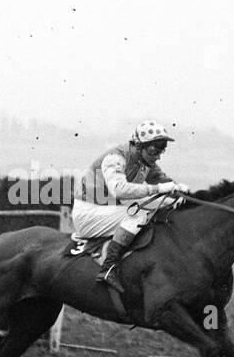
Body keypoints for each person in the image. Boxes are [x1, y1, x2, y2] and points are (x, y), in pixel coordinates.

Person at [71, 121, 190, 292]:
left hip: (109, 209)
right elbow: (119, 190)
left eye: (162, 149)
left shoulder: (146, 162)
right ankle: (109, 266)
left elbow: (166, 183)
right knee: (140, 212)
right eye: (154, 150)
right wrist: (159, 188)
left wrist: (178, 189)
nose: (158, 155)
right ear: (140, 146)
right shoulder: (115, 158)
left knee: (167, 204)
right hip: (88, 213)